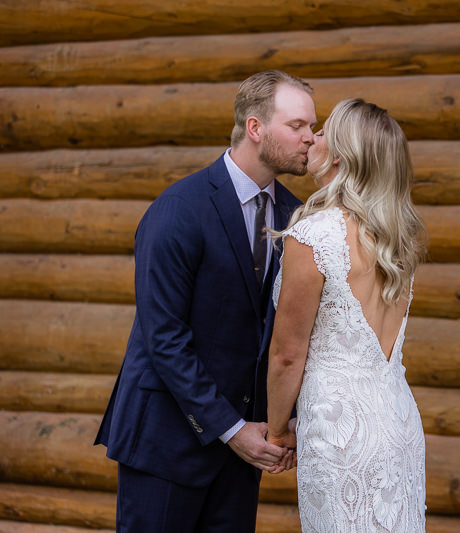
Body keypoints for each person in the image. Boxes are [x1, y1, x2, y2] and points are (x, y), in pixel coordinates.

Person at [94, 70, 315, 532]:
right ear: (255, 128)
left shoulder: (296, 217)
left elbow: (285, 332)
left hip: (242, 456)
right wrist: (231, 430)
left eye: (311, 127)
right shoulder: (179, 209)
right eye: (297, 126)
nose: (310, 139)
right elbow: (164, 337)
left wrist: (280, 422)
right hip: (165, 443)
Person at [265, 98, 428, 532]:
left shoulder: (314, 235)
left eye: (321, 133)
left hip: (341, 431)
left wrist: (277, 431)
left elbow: (286, 354)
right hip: (397, 422)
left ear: (339, 153)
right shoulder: (396, 240)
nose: (310, 138)